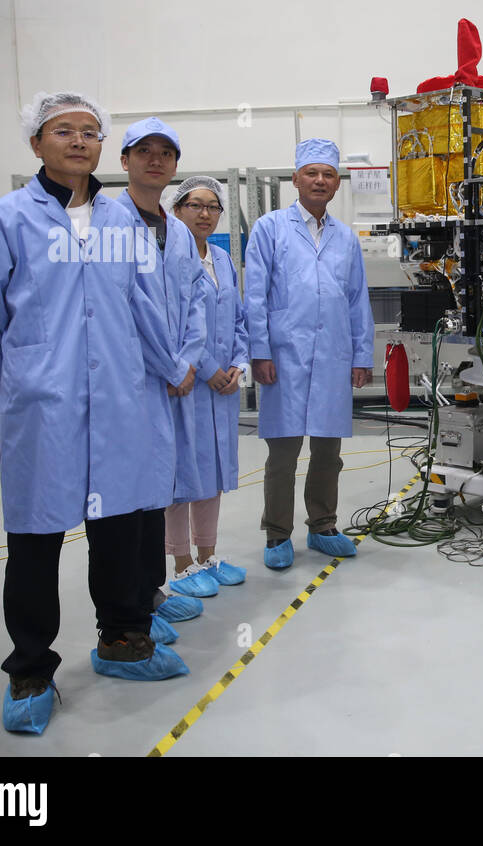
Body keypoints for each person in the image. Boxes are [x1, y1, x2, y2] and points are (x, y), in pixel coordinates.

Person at [0, 91, 191, 735]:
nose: (80, 141)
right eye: (64, 131)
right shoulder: (2, 222)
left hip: (119, 399)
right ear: (36, 143)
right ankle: (30, 667)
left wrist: (170, 367)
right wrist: (22, 389)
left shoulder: (121, 222)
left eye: (90, 131)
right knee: (34, 538)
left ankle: (122, 640)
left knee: (118, 527)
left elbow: (146, 303)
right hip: (44, 404)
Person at [245, 138, 374, 569]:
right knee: (282, 453)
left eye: (329, 174)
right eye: (312, 173)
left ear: (337, 183)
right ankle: (277, 534)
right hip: (284, 355)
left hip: (333, 355)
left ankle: (323, 526)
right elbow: (255, 297)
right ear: (296, 178)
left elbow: (357, 300)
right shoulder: (270, 229)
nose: (320, 180)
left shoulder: (345, 238)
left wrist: (361, 355)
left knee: (327, 451)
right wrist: (259, 350)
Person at [114, 118, 215, 635]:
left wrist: (191, 358)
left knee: (159, 490)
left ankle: (152, 592)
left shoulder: (177, 232)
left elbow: (199, 296)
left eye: (165, 153)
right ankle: (126, 610)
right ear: (124, 160)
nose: (155, 160)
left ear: (174, 165)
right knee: (128, 500)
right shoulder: (109, 223)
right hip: (133, 381)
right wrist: (175, 366)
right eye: (143, 151)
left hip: (176, 377)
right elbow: (128, 306)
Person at [167, 176, 249, 589]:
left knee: (213, 471)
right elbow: (175, 324)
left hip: (223, 388)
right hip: (188, 384)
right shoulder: (169, 256)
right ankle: (181, 566)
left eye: (212, 207)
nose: (204, 213)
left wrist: (237, 364)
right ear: (177, 209)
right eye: (195, 205)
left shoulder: (222, 259)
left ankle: (207, 555)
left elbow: (237, 318)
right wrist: (209, 367)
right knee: (184, 473)